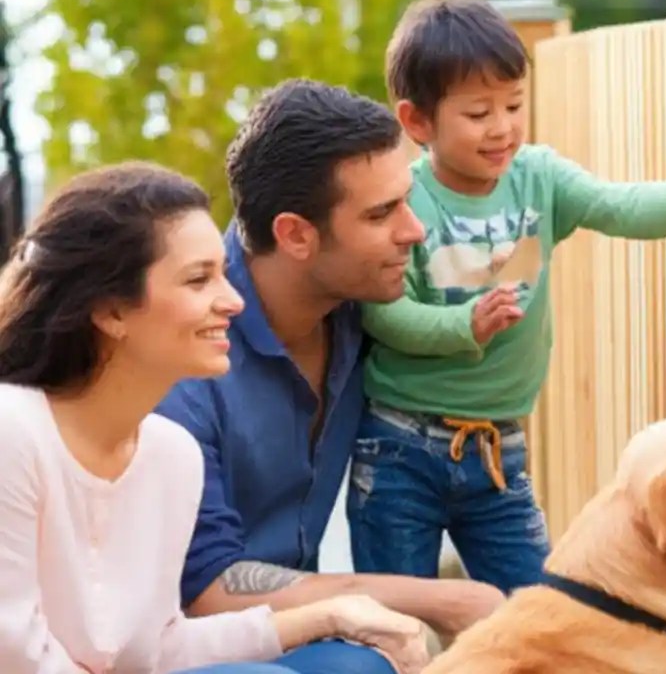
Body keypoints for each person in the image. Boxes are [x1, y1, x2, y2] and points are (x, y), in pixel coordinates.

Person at [347, 0, 666, 595]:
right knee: (399, 619)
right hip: (400, 448)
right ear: (417, 122)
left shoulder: (538, 180)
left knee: (541, 604)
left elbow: (624, 207)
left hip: (498, 449)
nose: (503, 127)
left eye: (514, 104)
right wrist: (466, 324)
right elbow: (385, 314)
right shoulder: (407, 200)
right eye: (478, 113)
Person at [0, 162, 430, 674]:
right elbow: (16, 653)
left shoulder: (170, 454)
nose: (231, 301)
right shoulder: (14, 432)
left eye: (223, 274)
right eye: (199, 279)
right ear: (112, 311)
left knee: (353, 665)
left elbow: (160, 651)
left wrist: (330, 614)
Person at [153, 79, 505, 672]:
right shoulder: (185, 353)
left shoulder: (364, 308)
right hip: (180, 647)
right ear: (295, 234)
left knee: (362, 665)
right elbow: (207, 590)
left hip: (302, 635)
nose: (413, 230)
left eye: (407, 199)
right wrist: (444, 599)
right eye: (380, 213)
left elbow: (508, 255)